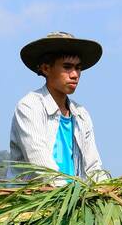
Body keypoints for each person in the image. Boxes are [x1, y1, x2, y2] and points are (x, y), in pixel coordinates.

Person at [9, 32, 109, 183]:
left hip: (73, 199)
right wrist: (68, 197)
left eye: (78, 68)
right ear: (46, 69)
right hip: (39, 199)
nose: (75, 75)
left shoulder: (81, 114)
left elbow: (93, 168)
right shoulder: (30, 106)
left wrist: (107, 191)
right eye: (67, 67)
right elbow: (41, 166)